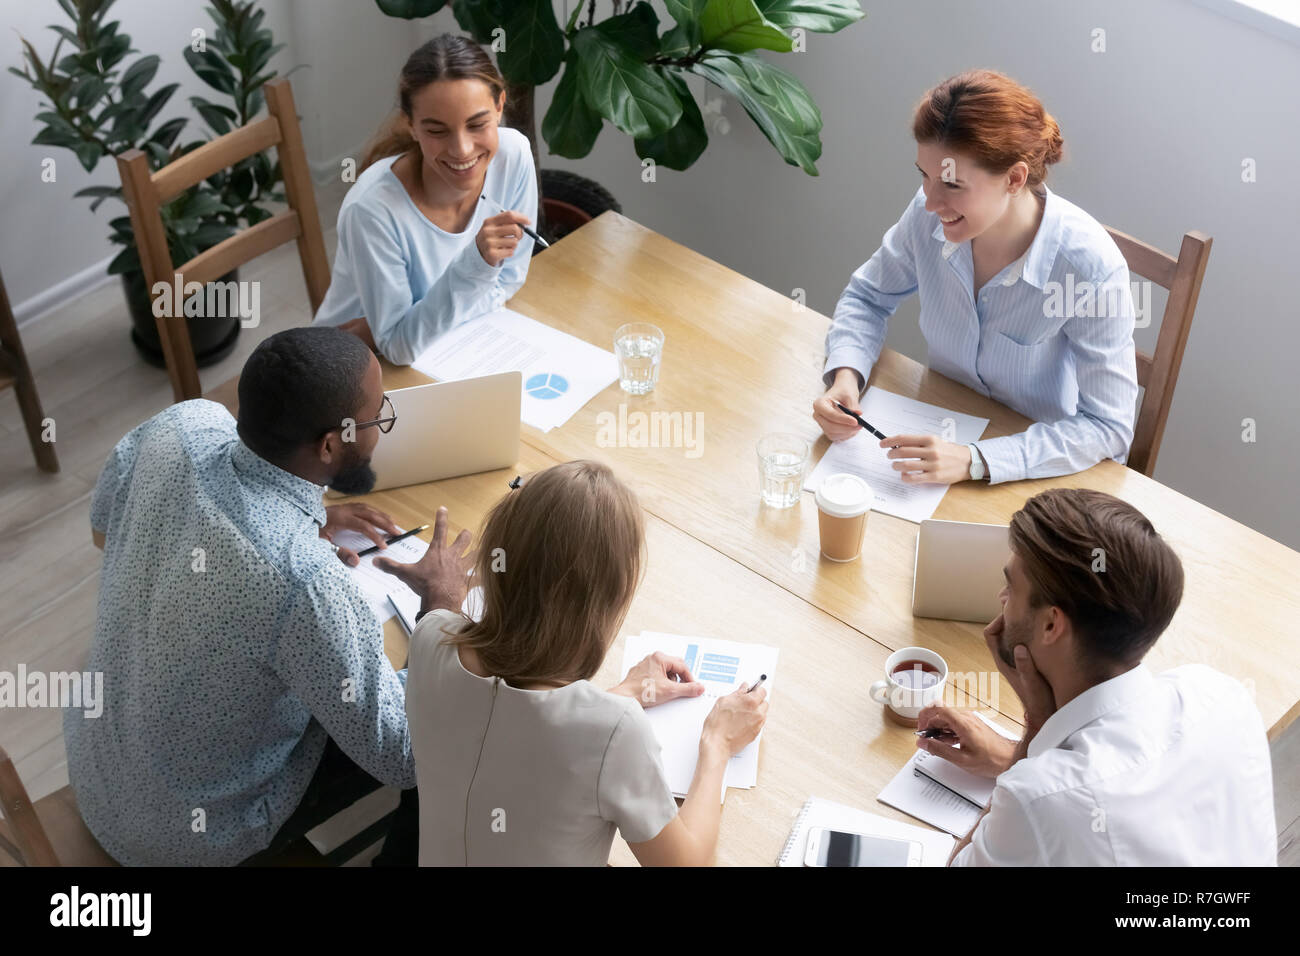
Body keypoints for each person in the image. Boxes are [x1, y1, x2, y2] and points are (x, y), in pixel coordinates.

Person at [68, 327, 421, 866]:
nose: (381, 427)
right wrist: (441, 612)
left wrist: (303, 520)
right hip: (186, 839)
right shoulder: (304, 581)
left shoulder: (184, 424)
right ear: (330, 445)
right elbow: (404, 757)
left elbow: (102, 529)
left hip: (96, 768)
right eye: (377, 418)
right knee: (455, 739)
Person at [380, 461, 769, 866]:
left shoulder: (429, 639)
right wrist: (718, 744)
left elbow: (514, 727)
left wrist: (624, 694)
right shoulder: (614, 732)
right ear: (612, 597)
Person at [915, 488, 1276, 866]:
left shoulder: (1038, 800)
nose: (1002, 596)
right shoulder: (1221, 695)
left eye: (1012, 587)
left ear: (1051, 623)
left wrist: (1035, 733)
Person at [813, 70, 1138, 484]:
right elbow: (868, 297)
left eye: (951, 183)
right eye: (924, 175)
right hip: (941, 432)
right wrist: (845, 377)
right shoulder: (927, 215)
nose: (930, 202)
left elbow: (1107, 428)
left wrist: (974, 460)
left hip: (1037, 472)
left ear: (1014, 178)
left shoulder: (1089, 270)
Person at [312, 34, 538, 365]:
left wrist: (399, 326)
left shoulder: (514, 156)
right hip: (348, 368)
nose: (462, 150)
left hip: (443, 351)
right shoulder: (372, 210)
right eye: (436, 131)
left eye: (477, 124)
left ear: (500, 105)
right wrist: (476, 266)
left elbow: (509, 282)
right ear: (411, 125)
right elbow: (400, 348)